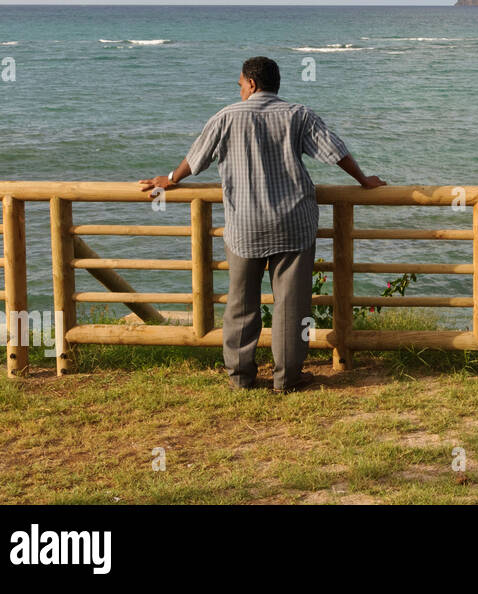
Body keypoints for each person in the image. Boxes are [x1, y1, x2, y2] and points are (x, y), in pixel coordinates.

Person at [139, 56, 384, 392]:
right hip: (293, 223)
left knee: (241, 305)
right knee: (292, 306)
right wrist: (363, 179)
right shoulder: (298, 114)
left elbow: (196, 159)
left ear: (251, 84)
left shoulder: (226, 116)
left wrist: (169, 179)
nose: (240, 90)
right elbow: (334, 151)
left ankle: (240, 377)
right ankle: (288, 378)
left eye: (240, 84)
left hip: (245, 224)